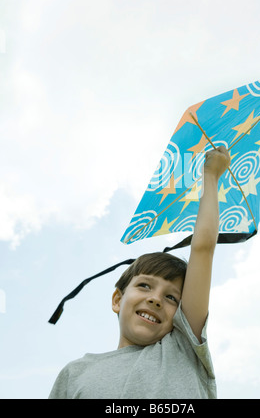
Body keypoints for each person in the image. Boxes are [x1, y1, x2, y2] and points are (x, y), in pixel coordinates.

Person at [48, 146, 231, 399]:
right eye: (145, 285)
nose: (155, 299)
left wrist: (210, 176)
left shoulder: (182, 348)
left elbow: (202, 249)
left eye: (171, 298)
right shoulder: (75, 373)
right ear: (117, 299)